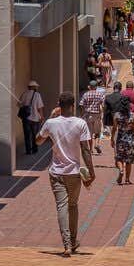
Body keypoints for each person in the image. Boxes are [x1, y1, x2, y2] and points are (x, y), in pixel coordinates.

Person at [37, 92, 94, 255]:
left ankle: (67, 244)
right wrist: (91, 171)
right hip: (74, 172)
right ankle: (73, 240)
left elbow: (38, 140)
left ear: (59, 105)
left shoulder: (51, 123)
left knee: (61, 206)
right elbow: (85, 149)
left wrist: (50, 117)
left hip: (56, 172)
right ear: (73, 105)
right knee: (73, 205)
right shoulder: (80, 123)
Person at [111, 99, 134, 184]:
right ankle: (127, 180)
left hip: (120, 139)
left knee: (119, 158)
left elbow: (114, 128)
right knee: (129, 160)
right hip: (130, 140)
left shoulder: (117, 115)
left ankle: (121, 170)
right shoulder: (133, 115)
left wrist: (112, 138)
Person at [17, 80, 44, 156]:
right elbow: (40, 107)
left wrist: (25, 107)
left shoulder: (24, 94)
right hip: (35, 118)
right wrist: (42, 116)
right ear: (33, 87)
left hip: (26, 118)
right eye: (36, 86)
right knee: (34, 134)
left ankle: (28, 150)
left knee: (27, 135)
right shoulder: (37, 95)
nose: (36, 87)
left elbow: (19, 104)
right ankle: (34, 149)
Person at [79, 80, 106, 154]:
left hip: (88, 115)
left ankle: (91, 149)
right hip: (97, 114)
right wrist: (102, 113)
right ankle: (96, 144)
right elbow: (103, 105)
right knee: (97, 132)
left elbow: (81, 104)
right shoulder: (100, 94)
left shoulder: (86, 94)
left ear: (89, 87)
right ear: (96, 87)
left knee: (89, 133)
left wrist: (82, 113)